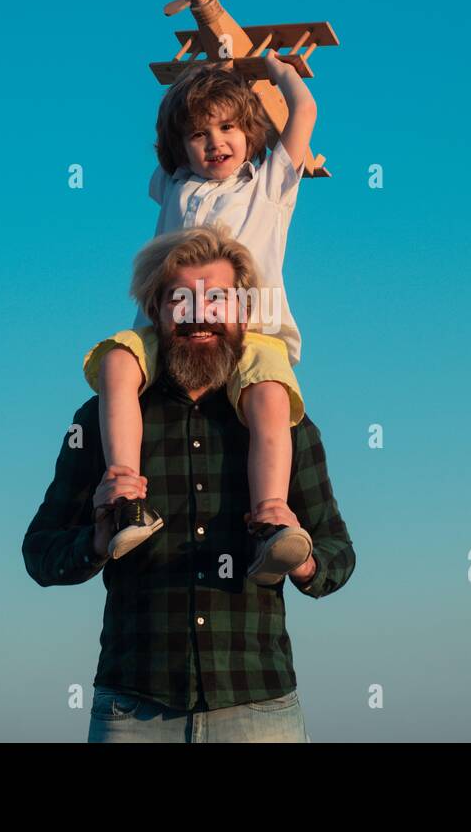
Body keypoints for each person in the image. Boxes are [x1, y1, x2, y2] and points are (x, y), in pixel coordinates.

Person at [23, 225, 355, 742]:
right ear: (155, 312)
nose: (200, 314)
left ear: (243, 313)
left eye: (217, 299)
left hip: (258, 703)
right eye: (181, 299)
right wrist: (95, 537)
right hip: (133, 705)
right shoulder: (100, 422)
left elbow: (338, 550)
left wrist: (305, 559)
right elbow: (39, 553)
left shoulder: (285, 424)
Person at [81, 55, 317, 582]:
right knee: (118, 361)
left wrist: (274, 70)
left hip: (249, 326)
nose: (215, 142)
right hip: (175, 322)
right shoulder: (174, 183)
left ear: (250, 129)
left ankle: (272, 520)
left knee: (269, 399)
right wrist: (199, 75)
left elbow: (304, 111)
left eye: (228, 127)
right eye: (199, 134)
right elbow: (169, 121)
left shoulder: (269, 183)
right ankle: (126, 495)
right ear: (180, 146)